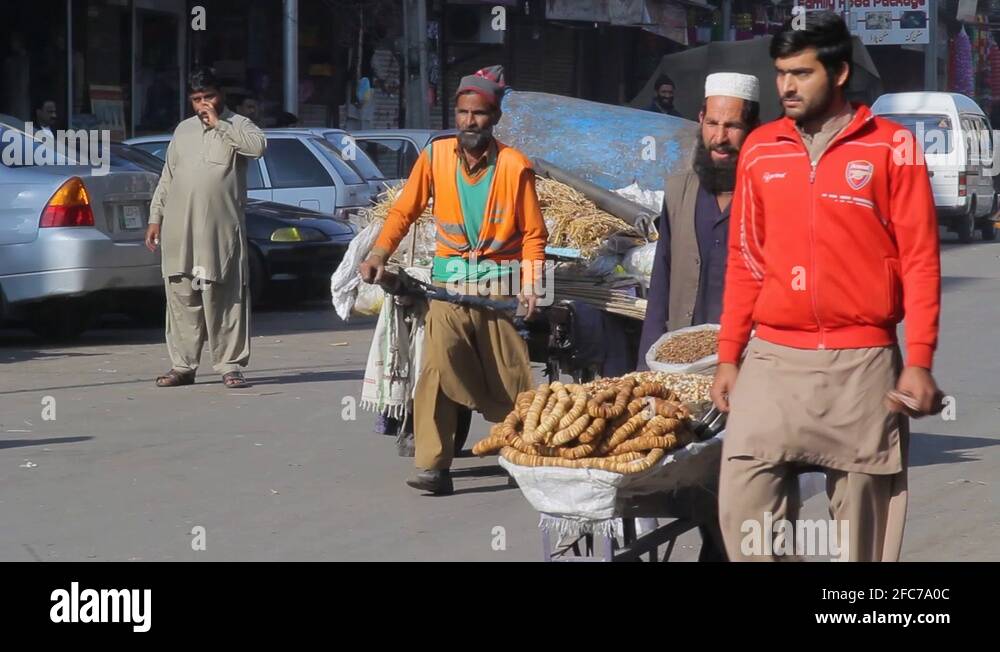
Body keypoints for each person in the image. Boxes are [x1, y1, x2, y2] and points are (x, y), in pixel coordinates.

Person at [711, 11, 941, 562]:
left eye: (801, 73)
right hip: (772, 357)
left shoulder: (892, 147)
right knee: (744, 509)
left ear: (838, 73)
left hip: (861, 362)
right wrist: (728, 355)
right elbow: (745, 259)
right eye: (781, 73)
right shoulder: (761, 149)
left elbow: (920, 259)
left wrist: (920, 359)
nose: (786, 86)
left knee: (862, 536)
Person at [358, 65, 547, 495]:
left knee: (510, 375)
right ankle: (433, 466)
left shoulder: (516, 166)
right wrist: (378, 253)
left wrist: (533, 284)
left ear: (494, 117)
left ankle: (522, 450)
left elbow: (534, 234)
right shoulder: (435, 156)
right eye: (462, 113)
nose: (469, 122)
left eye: (478, 114)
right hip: (449, 285)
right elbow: (404, 210)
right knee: (438, 370)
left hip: (500, 285)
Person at [145, 66, 267, 389]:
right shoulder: (183, 131)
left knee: (224, 297)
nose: (203, 104)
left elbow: (257, 147)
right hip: (179, 230)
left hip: (219, 232)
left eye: (209, 97)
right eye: (197, 99)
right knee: (182, 296)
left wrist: (220, 126)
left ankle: (230, 366)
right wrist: (155, 218)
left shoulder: (239, 125)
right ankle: (183, 366)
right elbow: (167, 177)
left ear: (220, 95)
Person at [638, 72, 761, 367]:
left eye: (732, 126)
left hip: (749, 362)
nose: (719, 138)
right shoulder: (679, 191)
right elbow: (661, 282)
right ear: (701, 120)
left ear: (753, 129)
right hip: (682, 358)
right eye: (712, 124)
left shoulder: (768, 194)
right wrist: (646, 365)